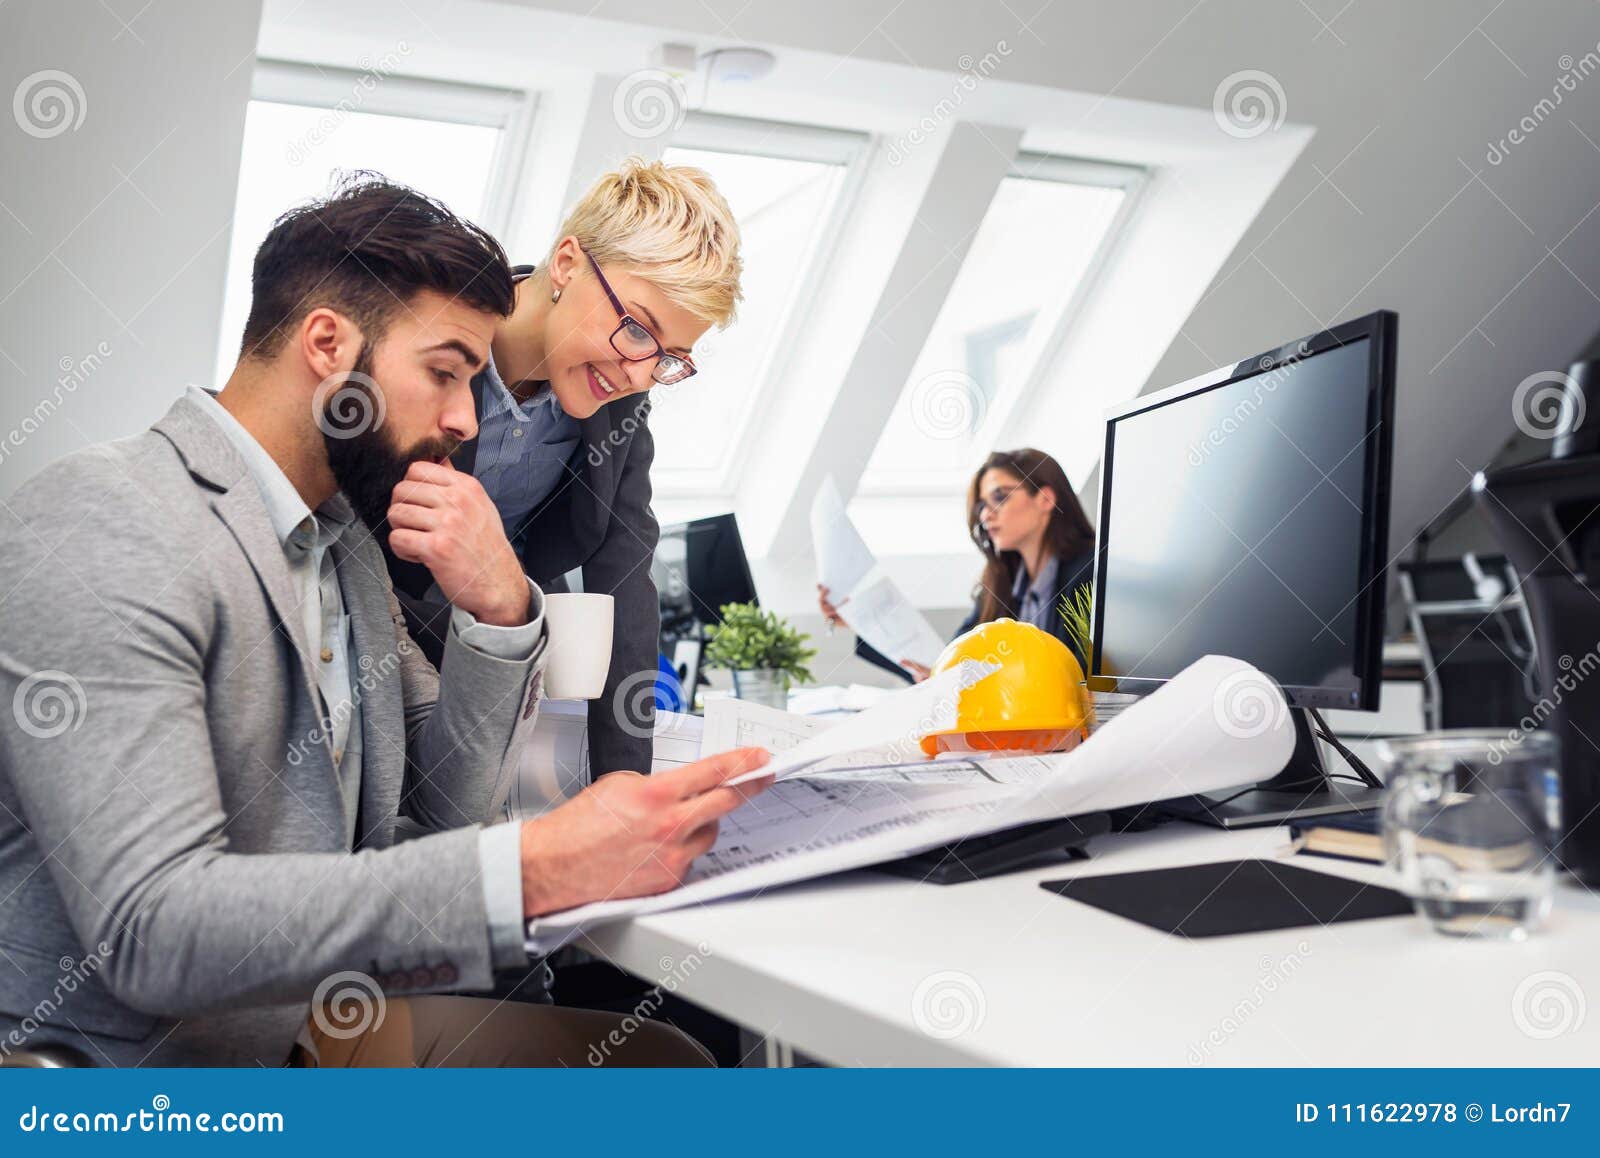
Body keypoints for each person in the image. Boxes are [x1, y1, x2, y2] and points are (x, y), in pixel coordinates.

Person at [0, 176, 771, 1068]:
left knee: (665, 1060)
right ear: (327, 344)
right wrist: (529, 867)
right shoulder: (104, 518)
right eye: (446, 375)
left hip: (313, 1022)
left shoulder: (346, 549)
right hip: (138, 1068)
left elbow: (442, 824)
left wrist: (499, 608)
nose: (462, 420)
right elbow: (150, 936)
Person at [384, 158, 742, 777]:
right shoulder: (428, 341)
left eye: (670, 359)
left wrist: (624, 782)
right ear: (568, 263)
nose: (637, 373)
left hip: (502, 664)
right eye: (635, 329)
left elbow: (626, 579)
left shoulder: (621, 401)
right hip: (382, 647)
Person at [819, 448, 1095, 682]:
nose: (987, 514)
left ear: (1046, 499)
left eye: (1000, 496)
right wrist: (861, 622)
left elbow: (1085, 681)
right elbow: (947, 662)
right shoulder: (999, 584)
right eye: (981, 505)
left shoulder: (1094, 574)